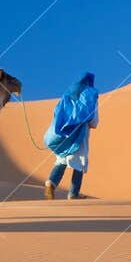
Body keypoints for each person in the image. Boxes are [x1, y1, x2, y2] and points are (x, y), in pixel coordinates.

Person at [42, 72, 99, 200]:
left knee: (61, 159)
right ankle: (73, 193)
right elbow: (93, 121)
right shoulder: (90, 95)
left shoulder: (67, 95)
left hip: (64, 132)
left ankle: (51, 183)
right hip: (81, 133)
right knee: (80, 161)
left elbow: (57, 113)